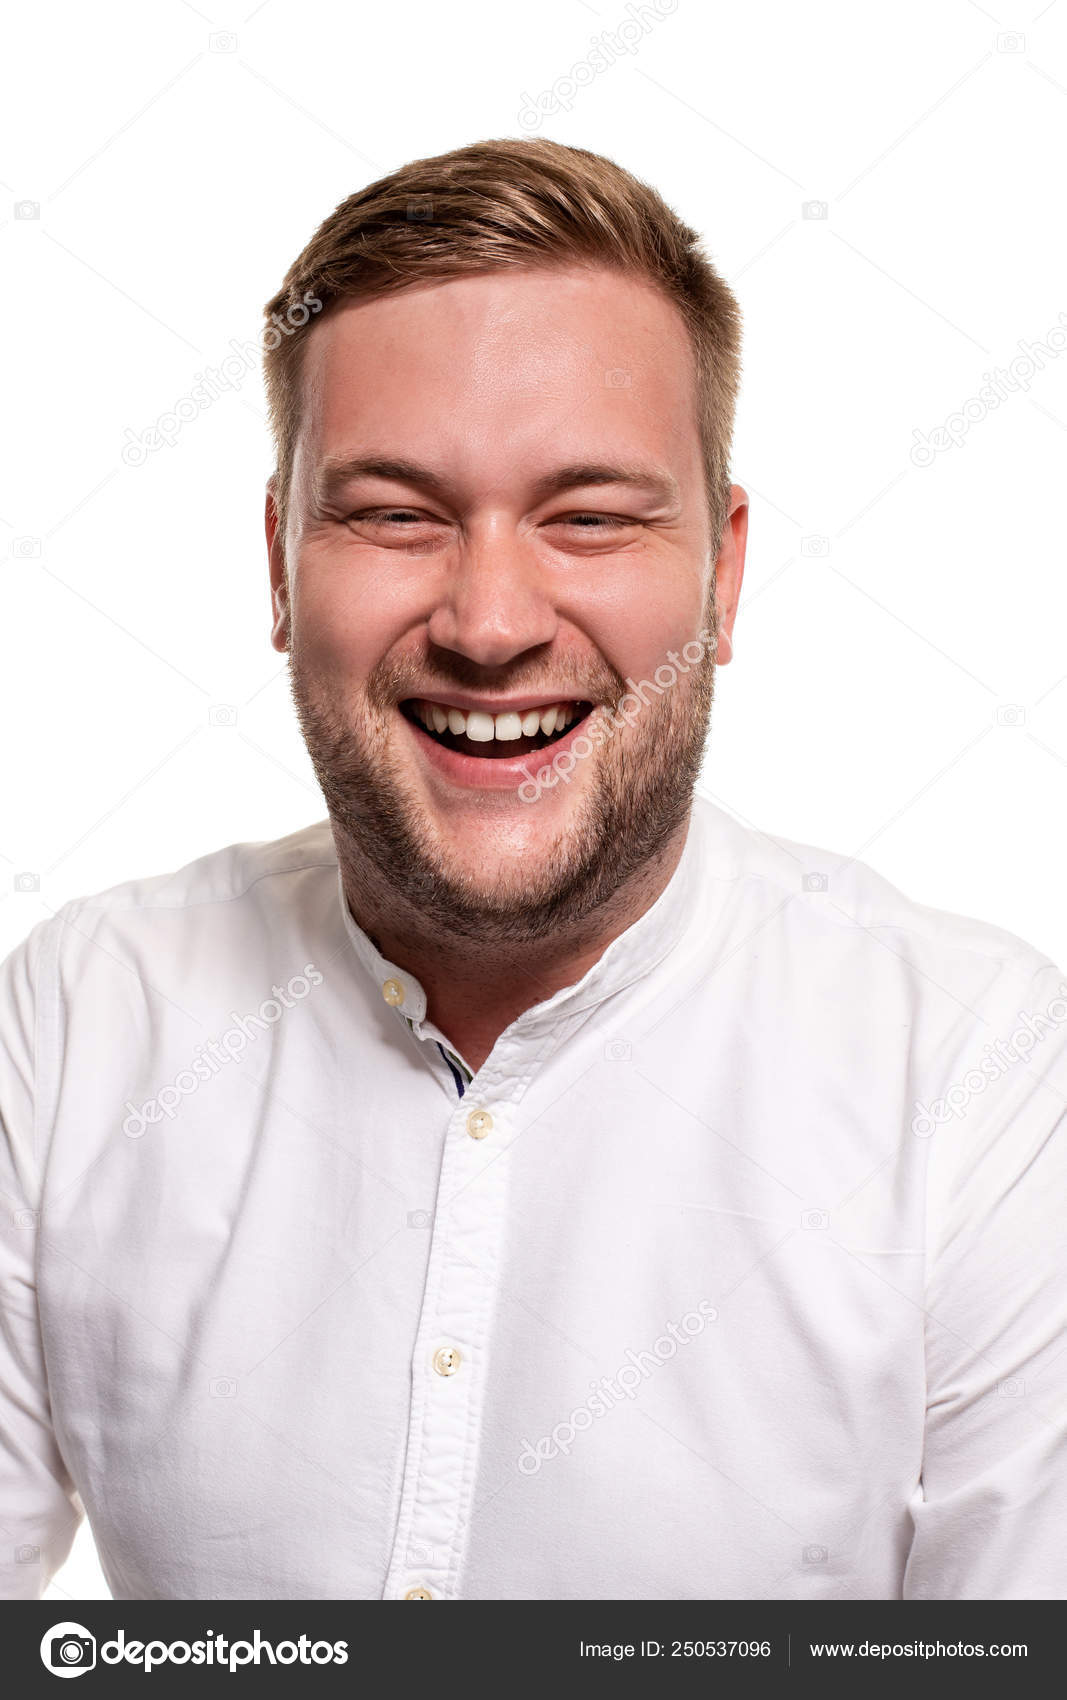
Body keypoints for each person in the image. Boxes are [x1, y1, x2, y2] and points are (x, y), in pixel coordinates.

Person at [2, 137, 1065, 1602]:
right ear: (276, 565)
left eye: (590, 517)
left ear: (724, 573)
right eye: (394, 513)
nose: (490, 621)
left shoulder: (976, 1073)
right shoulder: (77, 1023)